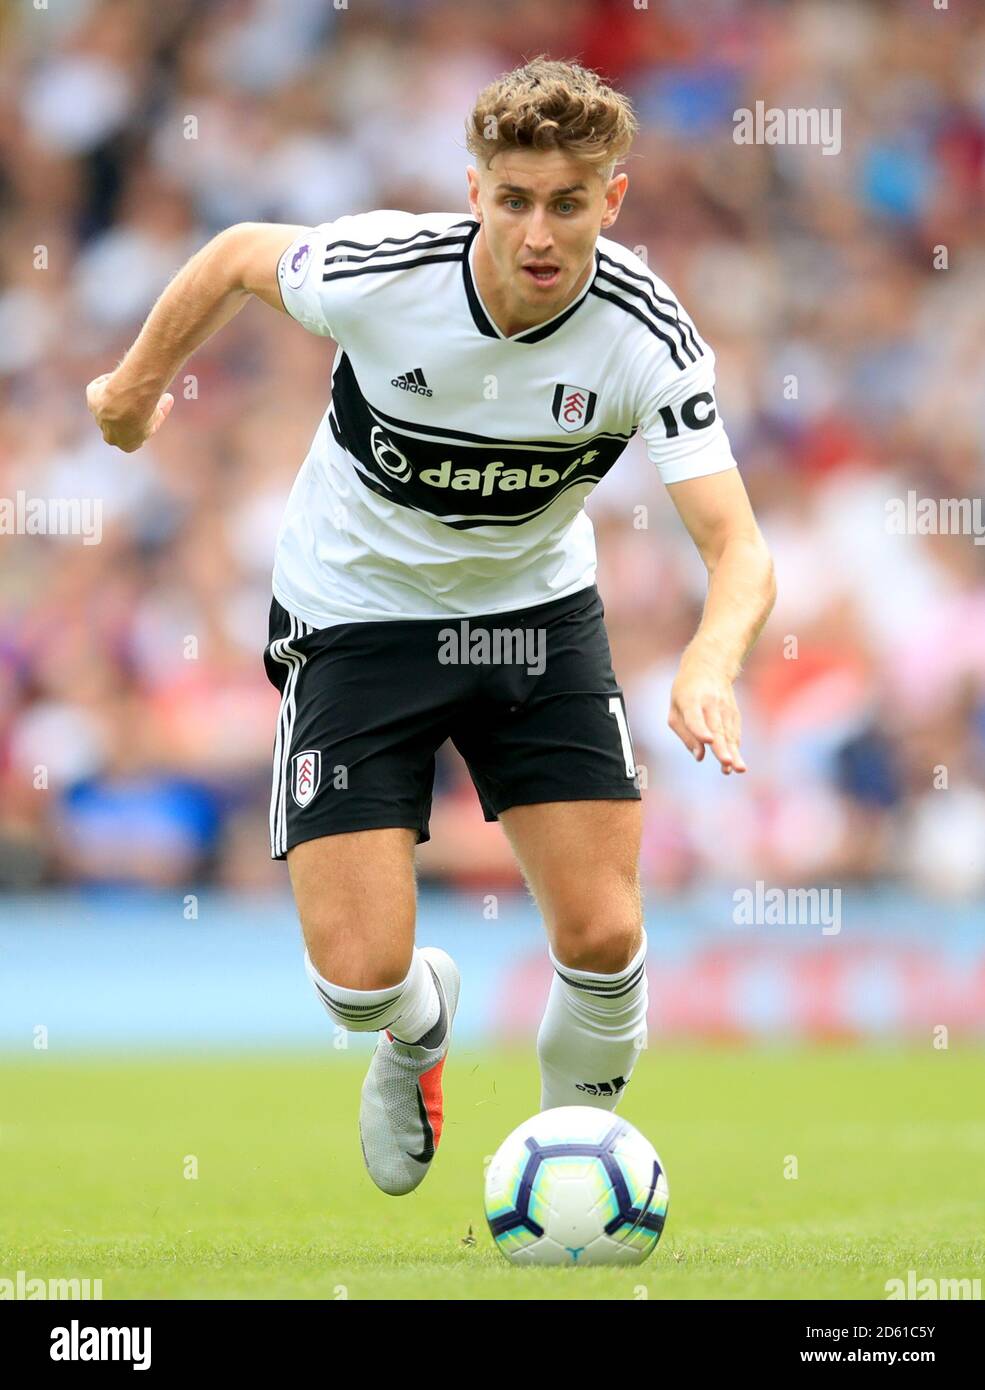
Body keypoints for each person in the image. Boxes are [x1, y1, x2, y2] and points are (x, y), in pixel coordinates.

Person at [87, 58, 776, 1197]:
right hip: (359, 615)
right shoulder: (380, 272)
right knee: (358, 977)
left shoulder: (648, 334)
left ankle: (568, 1180)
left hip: (534, 616)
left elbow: (739, 546)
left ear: (612, 200)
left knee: (604, 940)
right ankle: (419, 1027)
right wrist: (129, 386)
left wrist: (709, 659)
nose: (538, 233)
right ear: (474, 192)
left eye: (567, 202)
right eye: (513, 200)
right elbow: (234, 257)